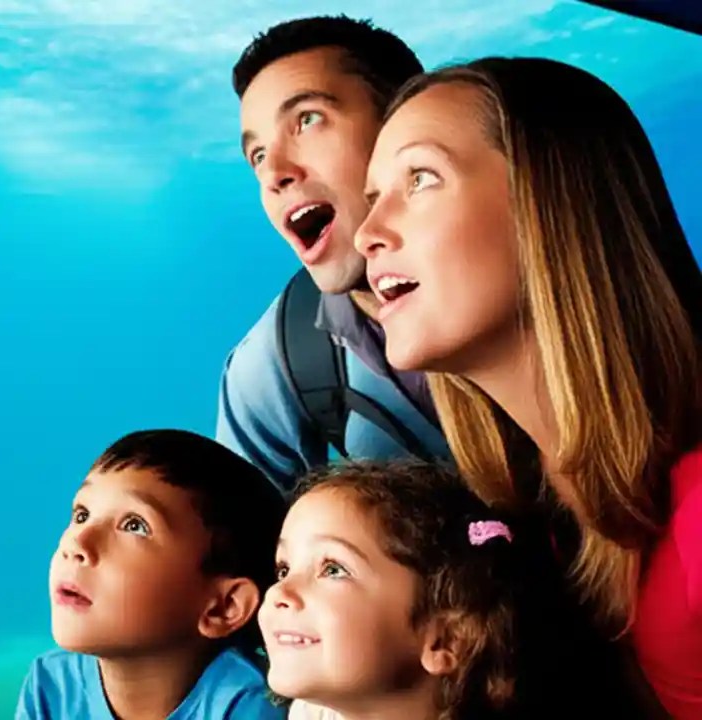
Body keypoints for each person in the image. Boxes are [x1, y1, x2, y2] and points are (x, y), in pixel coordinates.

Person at [354, 55, 702, 718]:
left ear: (551, 201)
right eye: (372, 199)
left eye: (421, 178)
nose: (368, 234)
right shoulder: (530, 519)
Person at [217, 15, 450, 495]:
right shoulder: (271, 372)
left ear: (407, 121)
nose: (273, 173)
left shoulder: (554, 282)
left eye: (307, 120)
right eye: (257, 155)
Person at [260, 459, 590, 720]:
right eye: (283, 569)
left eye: (333, 569)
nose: (278, 593)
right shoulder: (313, 712)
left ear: (446, 639)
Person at [16, 429, 287, 719]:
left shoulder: (251, 706)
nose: (77, 543)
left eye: (134, 525)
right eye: (82, 515)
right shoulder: (51, 685)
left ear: (223, 606)